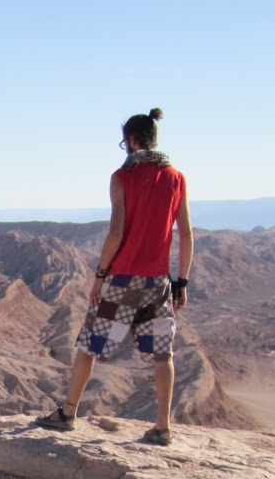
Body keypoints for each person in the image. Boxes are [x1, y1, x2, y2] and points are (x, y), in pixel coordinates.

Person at [38, 107, 193, 445]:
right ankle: (163, 428)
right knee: (162, 353)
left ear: (133, 141)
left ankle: (68, 413)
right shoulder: (176, 177)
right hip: (158, 282)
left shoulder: (122, 178)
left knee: (88, 346)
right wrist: (181, 282)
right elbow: (186, 235)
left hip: (123, 279)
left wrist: (100, 275)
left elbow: (116, 232)